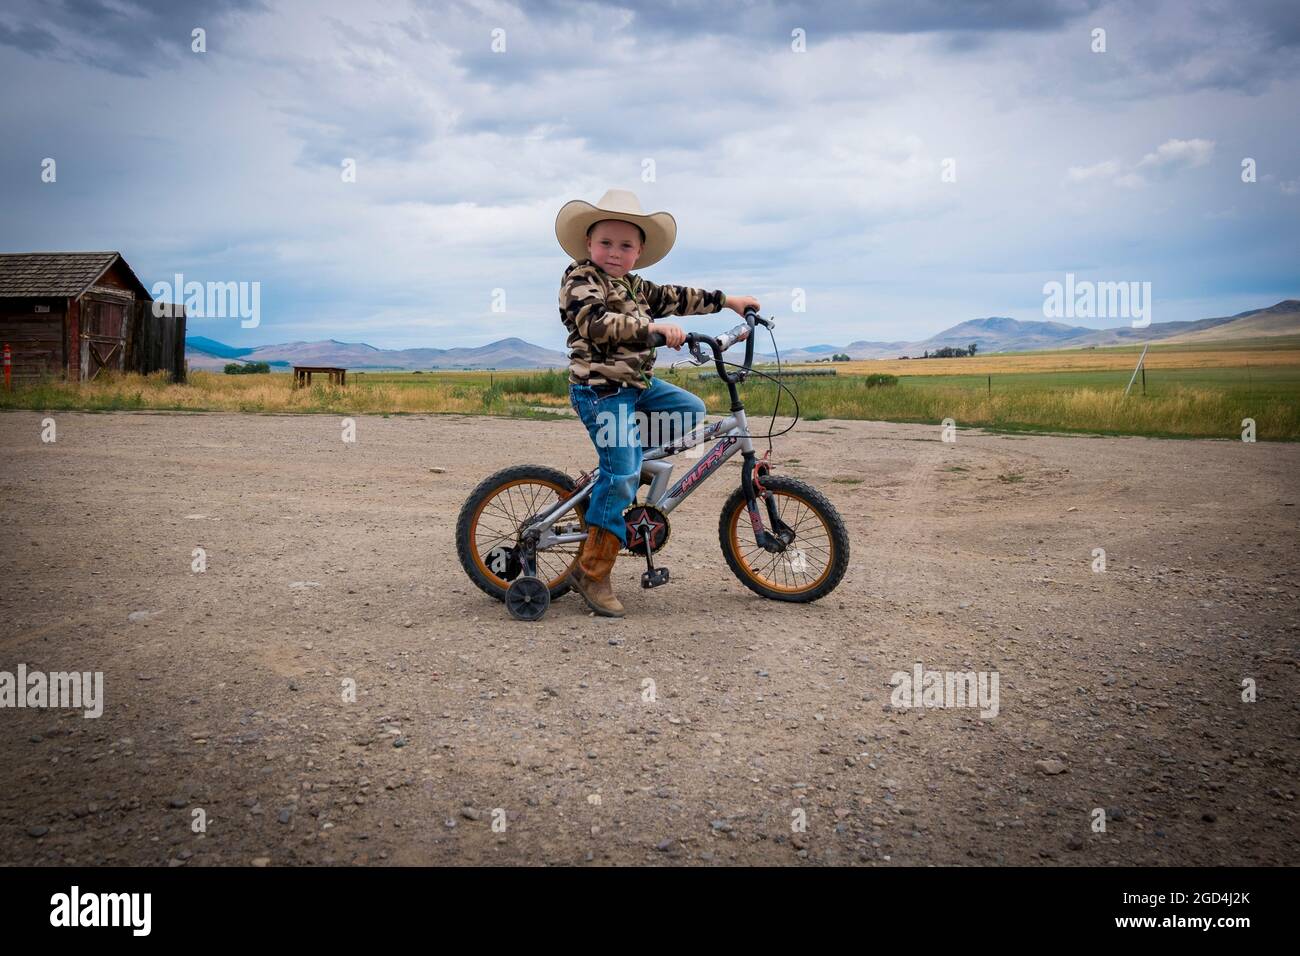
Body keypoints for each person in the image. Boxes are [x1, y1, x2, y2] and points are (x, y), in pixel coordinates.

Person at [555, 188, 761, 617]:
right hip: (600, 390)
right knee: (624, 470)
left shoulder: (636, 285)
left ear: (639, 251)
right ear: (589, 244)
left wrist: (729, 302)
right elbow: (593, 322)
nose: (614, 252)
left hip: (635, 386)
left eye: (625, 245)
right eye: (605, 243)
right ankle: (592, 573)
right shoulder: (580, 278)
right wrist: (649, 330)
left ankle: (623, 472)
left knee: (690, 410)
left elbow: (678, 296)